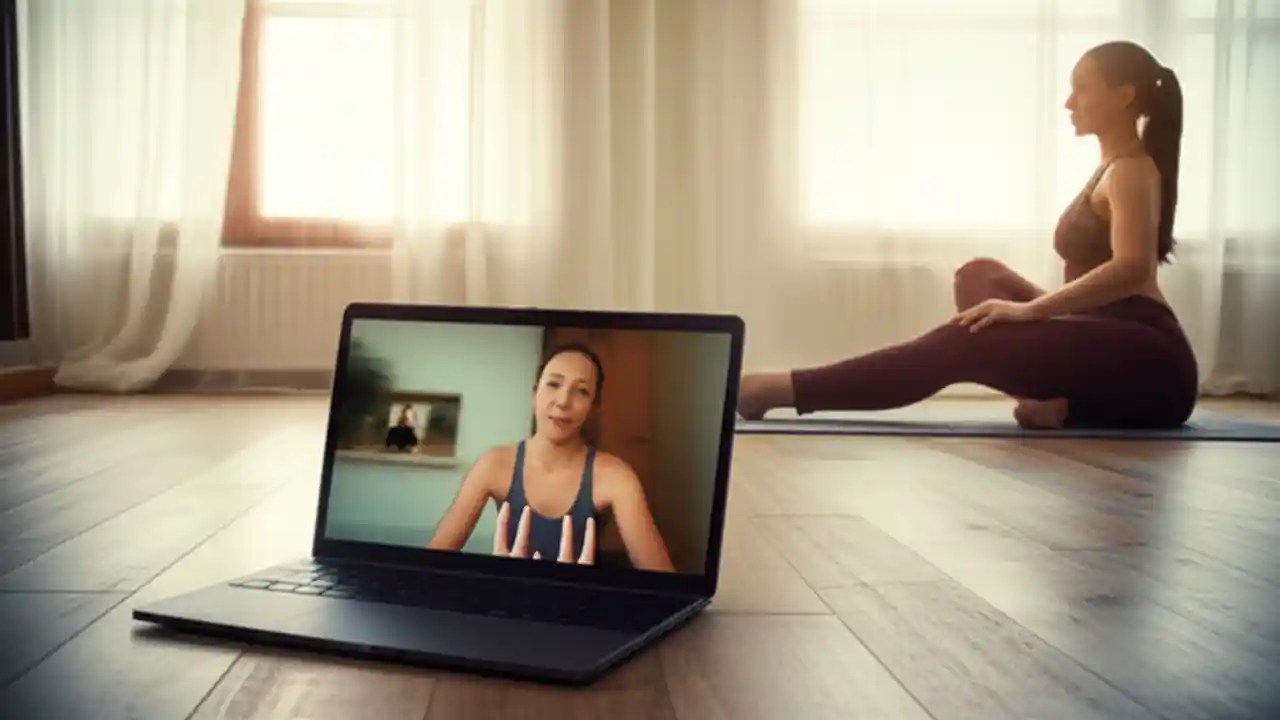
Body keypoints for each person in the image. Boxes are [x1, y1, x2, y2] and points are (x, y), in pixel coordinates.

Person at [736, 41, 1199, 430]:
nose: (1069, 102)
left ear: (1123, 96)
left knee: (965, 342)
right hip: (1108, 339)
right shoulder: (1110, 170)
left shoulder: (1132, 172)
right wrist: (1025, 313)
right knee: (980, 278)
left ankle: (778, 389)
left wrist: (1032, 310)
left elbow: (1132, 268)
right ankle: (1063, 404)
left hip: (1151, 362)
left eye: (1082, 88)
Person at [428, 344, 676, 571]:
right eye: (553, 384)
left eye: (581, 391)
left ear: (592, 407)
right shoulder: (493, 464)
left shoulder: (616, 476)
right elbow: (429, 565)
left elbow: (666, 585)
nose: (563, 401)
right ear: (534, 395)